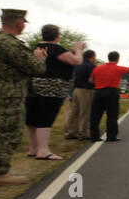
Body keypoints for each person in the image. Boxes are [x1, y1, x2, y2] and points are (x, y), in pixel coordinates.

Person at [0, 9, 48, 185]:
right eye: (23, 23)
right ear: (19, 22)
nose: (24, 26)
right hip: (8, 93)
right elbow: (35, 69)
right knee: (8, 131)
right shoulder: (10, 44)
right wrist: (39, 58)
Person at [25, 24, 86, 160]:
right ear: (57, 36)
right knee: (45, 117)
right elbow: (77, 61)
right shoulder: (55, 48)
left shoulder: (35, 47)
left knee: (32, 117)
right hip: (52, 87)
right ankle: (43, 150)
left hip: (33, 85)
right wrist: (78, 49)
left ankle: (33, 148)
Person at [90, 52, 129, 141]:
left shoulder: (97, 68)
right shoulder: (118, 68)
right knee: (112, 115)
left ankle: (94, 136)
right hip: (112, 93)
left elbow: (91, 80)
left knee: (95, 115)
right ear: (118, 59)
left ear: (108, 58)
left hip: (98, 92)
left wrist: (100, 83)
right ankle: (111, 136)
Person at [65, 49, 97, 140]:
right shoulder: (92, 66)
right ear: (92, 57)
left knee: (74, 112)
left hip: (76, 89)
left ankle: (71, 132)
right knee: (85, 112)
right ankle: (83, 133)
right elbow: (93, 79)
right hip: (86, 90)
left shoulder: (78, 65)